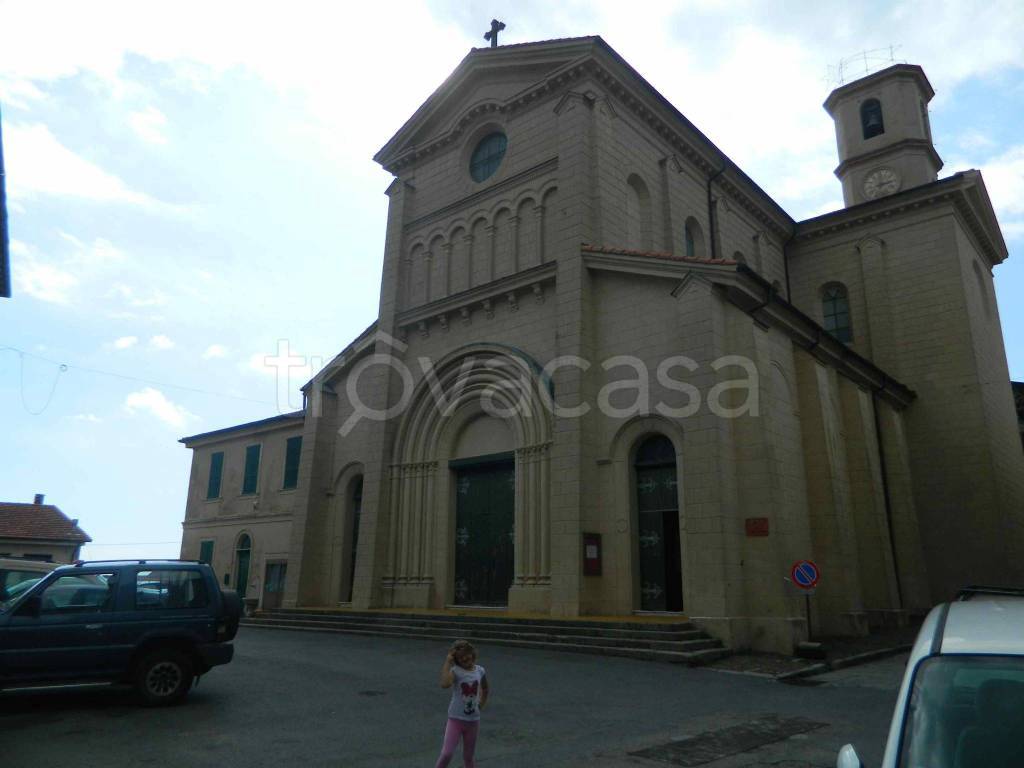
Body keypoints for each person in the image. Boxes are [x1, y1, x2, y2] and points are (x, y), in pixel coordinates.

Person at [435, 639, 489, 768]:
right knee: (446, 753)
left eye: (467, 654)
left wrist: (481, 704)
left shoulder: (480, 670)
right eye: (460, 657)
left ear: (472, 653)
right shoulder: (456, 671)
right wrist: (448, 662)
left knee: (468, 757)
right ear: (456, 660)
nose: (465, 658)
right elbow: (444, 684)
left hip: (473, 721)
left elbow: (485, 688)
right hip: (455, 720)